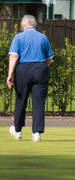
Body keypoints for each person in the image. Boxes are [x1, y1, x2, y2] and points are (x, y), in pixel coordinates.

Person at [8, 15, 54, 143]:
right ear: (35, 25)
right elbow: (49, 58)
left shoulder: (18, 37)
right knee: (39, 102)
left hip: (23, 69)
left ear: (23, 26)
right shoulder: (43, 37)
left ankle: (17, 131)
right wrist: (42, 68)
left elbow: (14, 57)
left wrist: (10, 74)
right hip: (40, 68)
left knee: (20, 100)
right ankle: (36, 133)